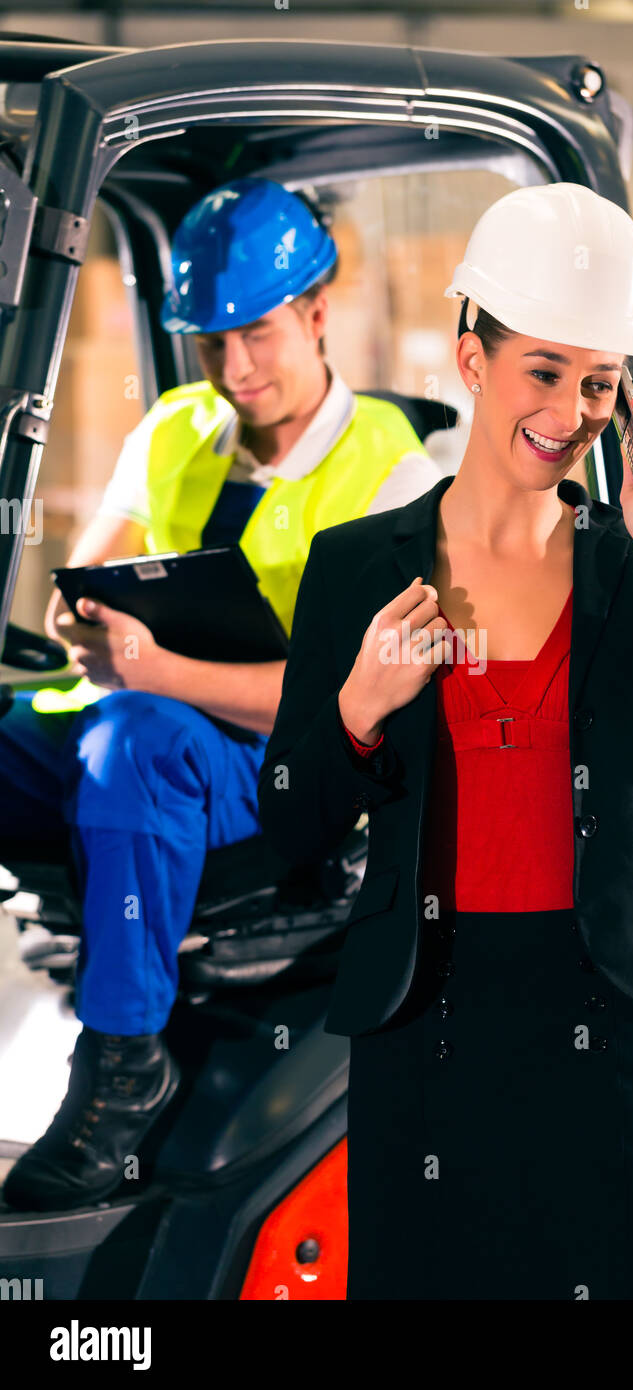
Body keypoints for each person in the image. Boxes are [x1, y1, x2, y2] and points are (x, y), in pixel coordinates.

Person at [256, 181, 633, 1301]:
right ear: (470, 357)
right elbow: (288, 819)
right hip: (427, 1030)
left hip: (613, 1030)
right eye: (543, 370)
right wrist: (356, 709)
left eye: (598, 382)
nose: (572, 409)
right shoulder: (356, 568)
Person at [1, 176, 442, 1213]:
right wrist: (82, 625)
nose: (233, 368)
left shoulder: (394, 477)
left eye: (255, 335)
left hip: (281, 760)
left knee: (136, 743)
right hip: (131, 713)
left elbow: (353, 693)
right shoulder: (173, 428)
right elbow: (88, 571)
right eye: (210, 343)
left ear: (318, 314)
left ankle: (120, 1074)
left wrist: (154, 672)